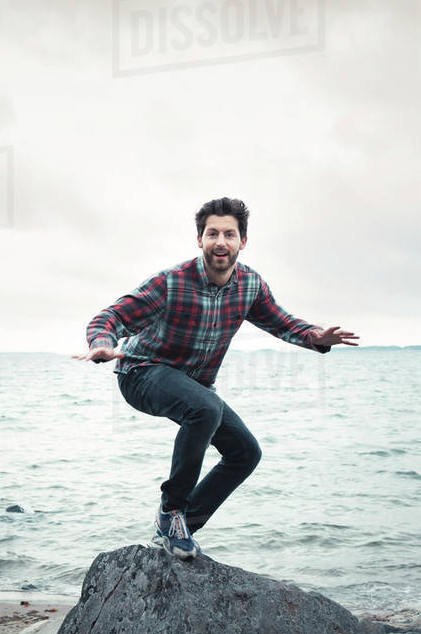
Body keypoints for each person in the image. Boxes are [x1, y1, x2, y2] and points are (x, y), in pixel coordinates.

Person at [74, 197, 358, 560]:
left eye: (229, 234)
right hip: (140, 372)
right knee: (205, 408)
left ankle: (181, 527)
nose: (220, 241)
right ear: (199, 240)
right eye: (212, 234)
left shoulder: (250, 285)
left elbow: (282, 322)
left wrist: (315, 337)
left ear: (243, 241)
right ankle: (171, 510)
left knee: (244, 452)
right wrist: (101, 345)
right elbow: (109, 317)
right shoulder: (171, 282)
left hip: (193, 388)